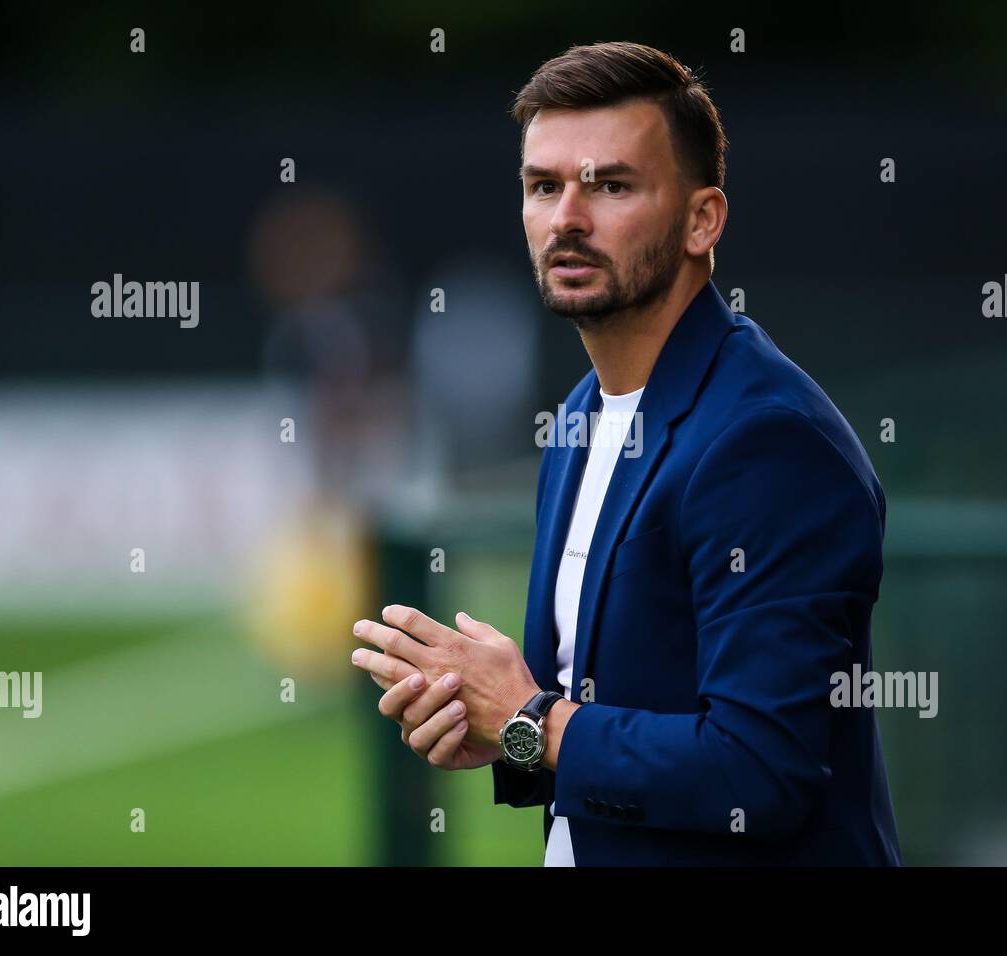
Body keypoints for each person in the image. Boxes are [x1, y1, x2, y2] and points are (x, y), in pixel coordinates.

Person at [350, 41, 902, 866]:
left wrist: (533, 719)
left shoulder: (767, 440)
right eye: (544, 186)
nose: (567, 217)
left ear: (702, 219)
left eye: (611, 185)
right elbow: (603, 718)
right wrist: (504, 733)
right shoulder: (579, 416)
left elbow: (759, 773)